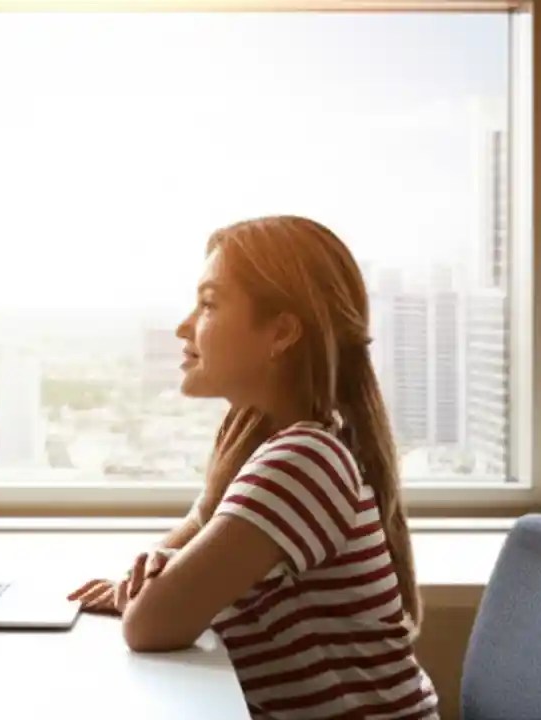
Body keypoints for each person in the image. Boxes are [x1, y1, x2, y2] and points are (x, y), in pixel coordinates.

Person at [68, 216, 438, 719]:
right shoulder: (267, 443)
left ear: (281, 332)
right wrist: (158, 574)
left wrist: (150, 587)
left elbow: (148, 625)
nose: (184, 326)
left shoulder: (304, 463)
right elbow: (182, 549)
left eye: (208, 304)